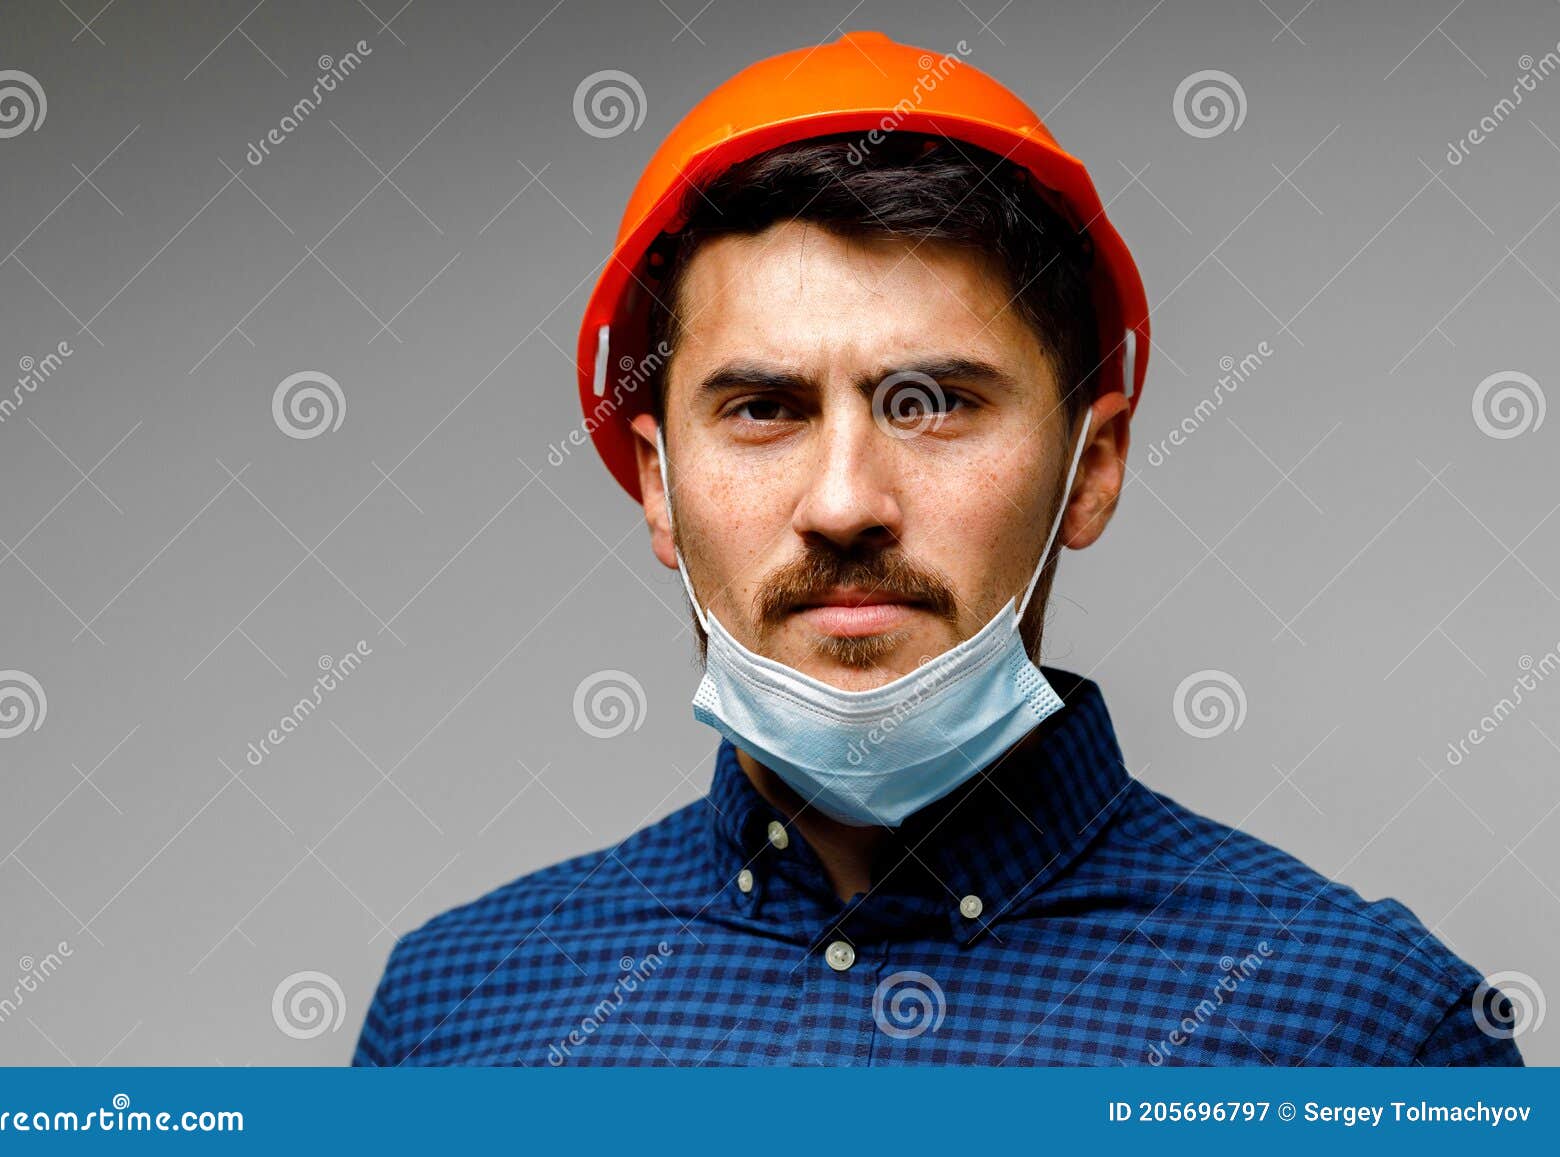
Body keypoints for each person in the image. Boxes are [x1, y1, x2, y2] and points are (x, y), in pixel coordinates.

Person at [353, 31, 1522, 1066]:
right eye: (763, 408)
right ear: (660, 486)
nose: (845, 502)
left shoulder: (1366, 1027)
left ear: (1091, 468)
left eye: (931, 404)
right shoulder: (456, 1019)